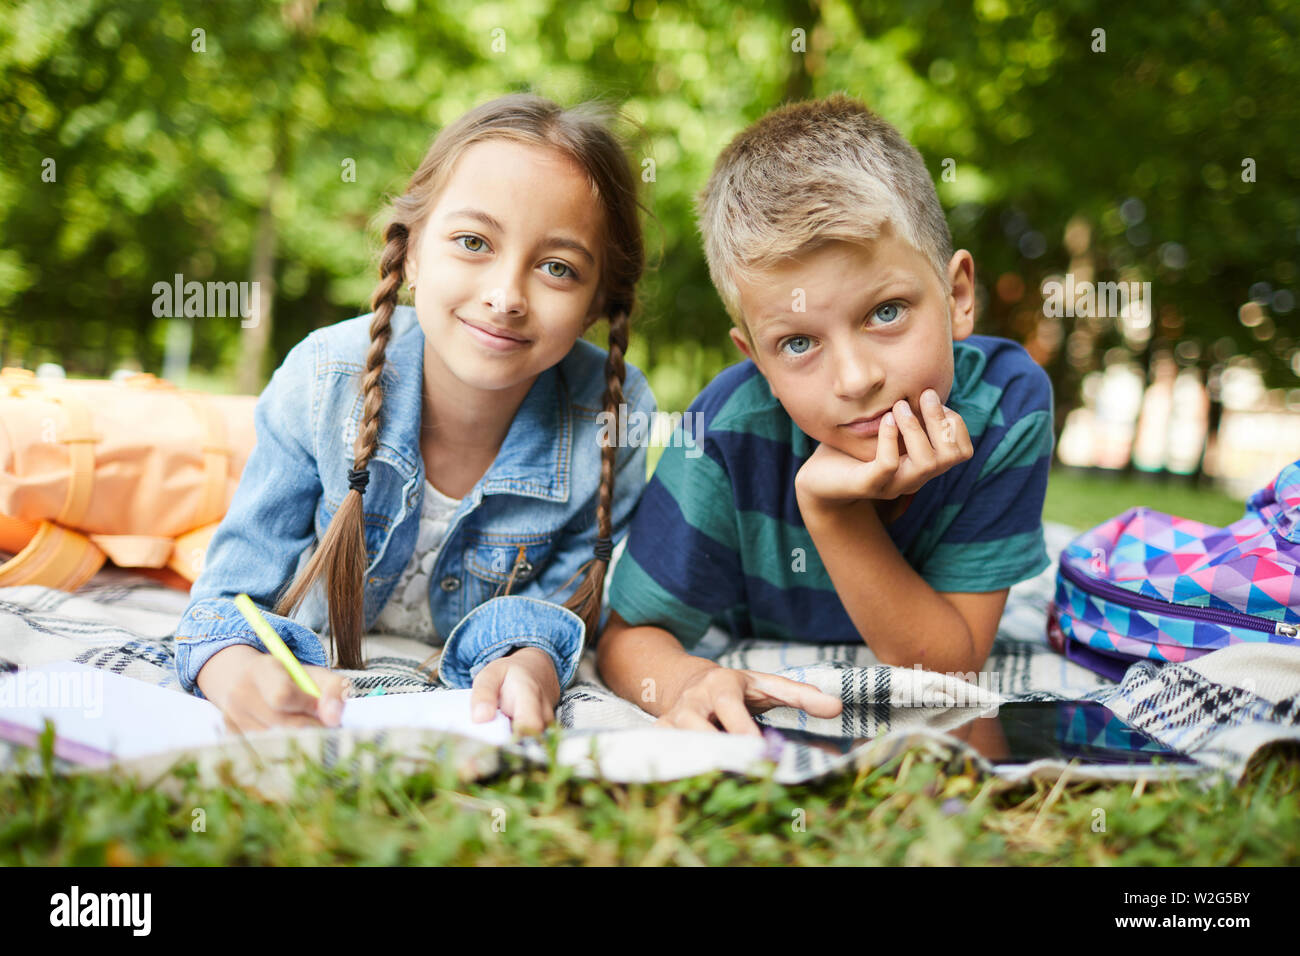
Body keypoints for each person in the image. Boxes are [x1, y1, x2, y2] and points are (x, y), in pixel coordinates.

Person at [174, 94, 655, 736]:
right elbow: (230, 597)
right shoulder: (323, 380)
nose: (506, 296)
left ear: (598, 302)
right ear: (413, 252)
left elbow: (568, 603)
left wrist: (534, 661)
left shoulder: (610, 415)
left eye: (558, 268)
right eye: (474, 242)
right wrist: (232, 671)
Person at [597, 94, 1055, 734]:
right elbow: (629, 638)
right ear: (755, 358)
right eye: (798, 343)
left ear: (956, 297)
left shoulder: (1009, 404)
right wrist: (690, 680)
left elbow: (949, 668)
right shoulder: (725, 435)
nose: (857, 378)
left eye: (887, 312)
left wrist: (832, 513)